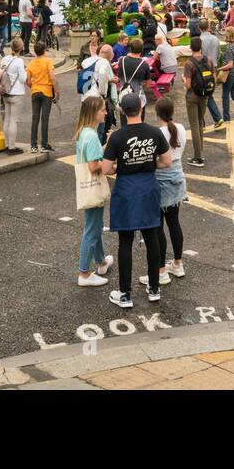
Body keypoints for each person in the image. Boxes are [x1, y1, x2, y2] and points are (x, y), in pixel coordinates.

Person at [102, 94, 173, 308]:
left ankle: (125, 294)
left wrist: (121, 167)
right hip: (148, 187)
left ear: (122, 111)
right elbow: (167, 161)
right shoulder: (154, 133)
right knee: (152, 237)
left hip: (126, 189)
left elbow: (106, 169)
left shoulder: (117, 137)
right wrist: (150, 165)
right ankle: (154, 289)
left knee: (126, 242)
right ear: (142, 108)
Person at [144, 99, 189, 289]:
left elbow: (155, 159)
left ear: (156, 113)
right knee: (174, 223)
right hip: (178, 177)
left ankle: (161, 271)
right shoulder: (180, 128)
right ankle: (178, 264)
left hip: (160, 179)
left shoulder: (156, 133)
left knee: (157, 227)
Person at [75, 95, 114, 287]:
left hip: (87, 186)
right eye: (102, 110)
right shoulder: (90, 136)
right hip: (93, 186)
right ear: (93, 112)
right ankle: (84, 273)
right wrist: (112, 164)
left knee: (95, 225)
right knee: (91, 229)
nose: (106, 113)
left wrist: (109, 144)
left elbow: (94, 154)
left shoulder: (84, 132)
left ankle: (101, 262)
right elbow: (93, 165)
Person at [180, 37, 214, 167]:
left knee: (194, 125)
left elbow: (188, 86)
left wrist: (183, 78)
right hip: (205, 95)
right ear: (201, 47)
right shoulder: (209, 60)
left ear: (190, 47)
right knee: (200, 123)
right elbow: (214, 77)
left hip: (192, 97)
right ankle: (200, 152)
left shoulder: (189, 63)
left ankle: (198, 157)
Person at [25, 40, 57, 151]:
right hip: (46, 92)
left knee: (35, 118)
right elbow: (52, 78)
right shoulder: (48, 61)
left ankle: (33, 145)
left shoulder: (31, 64)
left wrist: (34, 87)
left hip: (35, 92)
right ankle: (44, 144)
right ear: (44, 50)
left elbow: (28, 81)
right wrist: (56, 92)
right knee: (45, 119)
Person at [0, 37, 29, 155]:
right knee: (14, 121)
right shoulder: (19, 61)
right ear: (21, 48)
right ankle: (12, 147)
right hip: (16, 93)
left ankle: (6, 144)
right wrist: (26, 72)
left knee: (7, 119)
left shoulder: (5, 59)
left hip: (5, 92)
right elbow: (23, 79)